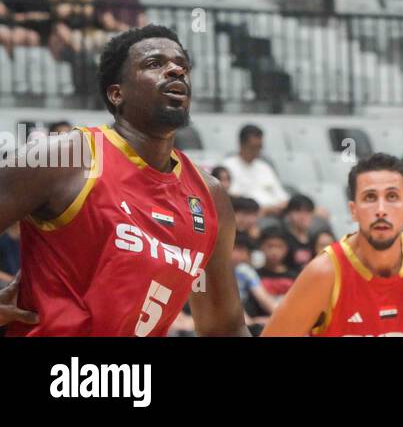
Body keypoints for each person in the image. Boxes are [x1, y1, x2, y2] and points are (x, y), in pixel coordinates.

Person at [0, 24, 246, 336]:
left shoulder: (209, 196)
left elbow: (224, 327)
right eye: (155, 64)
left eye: (182, 65)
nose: (175, 70)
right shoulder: (66, 158)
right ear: (117, 93)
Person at [263, 154, 403, 336]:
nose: (381, 210)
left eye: (392, 196)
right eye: (370, 197)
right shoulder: (325, 273)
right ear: (353, 210)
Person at [222, 124, 290, 216]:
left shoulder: (264, 167)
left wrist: (281, 207)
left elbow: (282, 197)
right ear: (241, 144)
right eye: (253, 147)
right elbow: (232, 197)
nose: (257, 151)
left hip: (276, 212)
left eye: (259, 147)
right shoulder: (228, 166)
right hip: (249, 214)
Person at [282, 193, 320, 272]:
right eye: (298, 211)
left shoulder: (316, 239)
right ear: (288, 214)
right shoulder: (282, 238)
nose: (303, 216)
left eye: (307, 211)